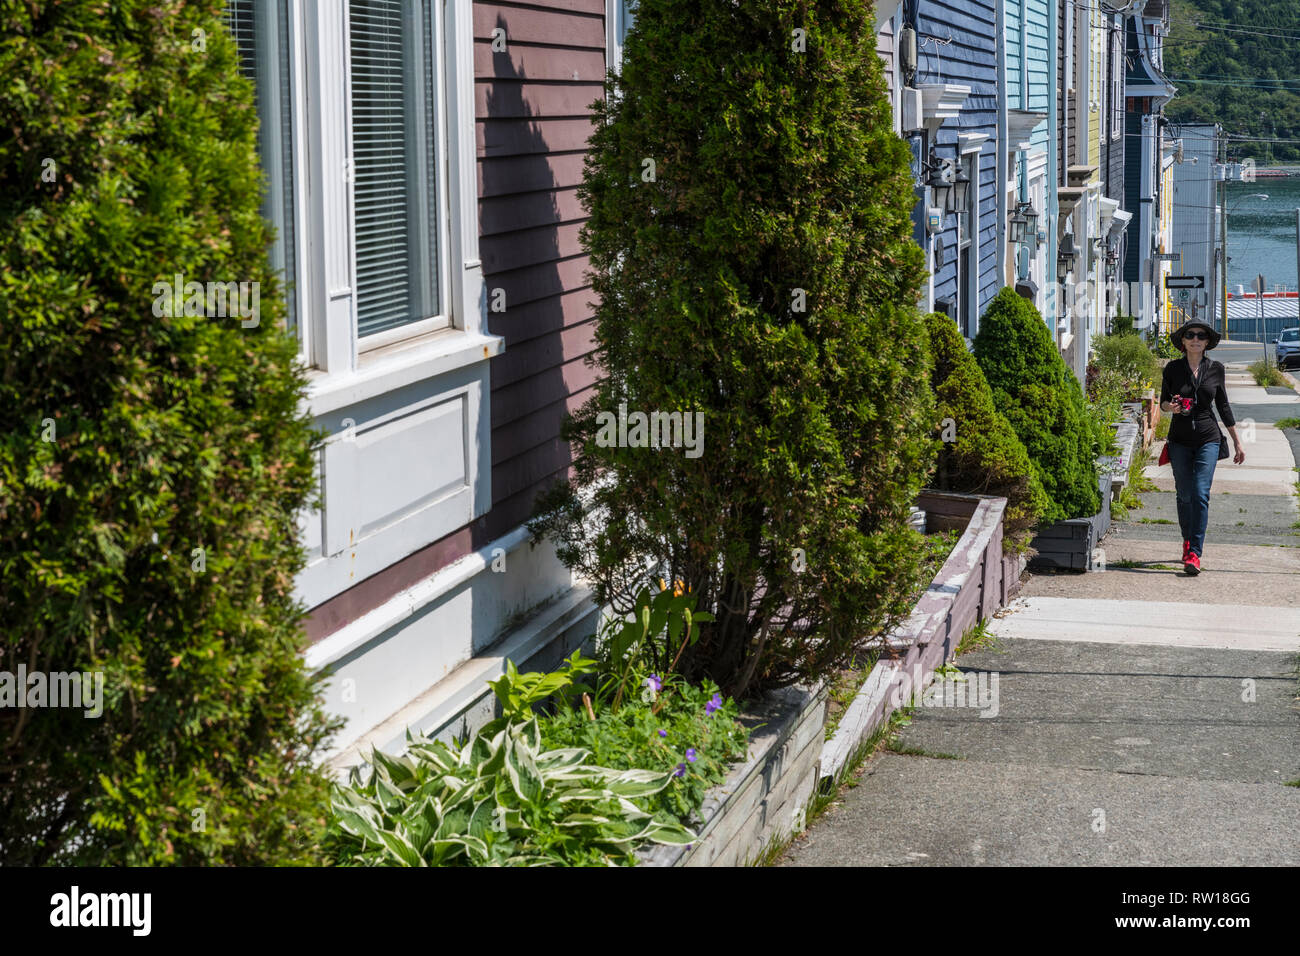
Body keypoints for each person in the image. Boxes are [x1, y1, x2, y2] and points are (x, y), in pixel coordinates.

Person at [1158, 319, 1245, 575]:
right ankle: (1187, 541)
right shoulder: (1172, 369)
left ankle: (1195, 552)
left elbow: (1223, 406)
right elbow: (1163, 401)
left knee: (1200, 493)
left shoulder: (1216, 369)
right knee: (1184, 495)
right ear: (1183, 341)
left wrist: (1237, 441)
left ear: (1207, 343)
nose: (1196, 339)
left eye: (1201, 336)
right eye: (1190, 335)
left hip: (1209, 437)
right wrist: (1169, 407)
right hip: (1180, 440)